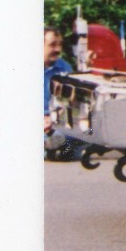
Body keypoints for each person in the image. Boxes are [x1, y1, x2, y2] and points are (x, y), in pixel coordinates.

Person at [44, 27, 75, 160]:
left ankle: (53, 147)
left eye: (60, 44)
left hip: (55, 122)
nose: (58, 49)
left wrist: (54, 119)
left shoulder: (64, 68)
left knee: (77, 133)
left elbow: (68, 101)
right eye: (52, 45)